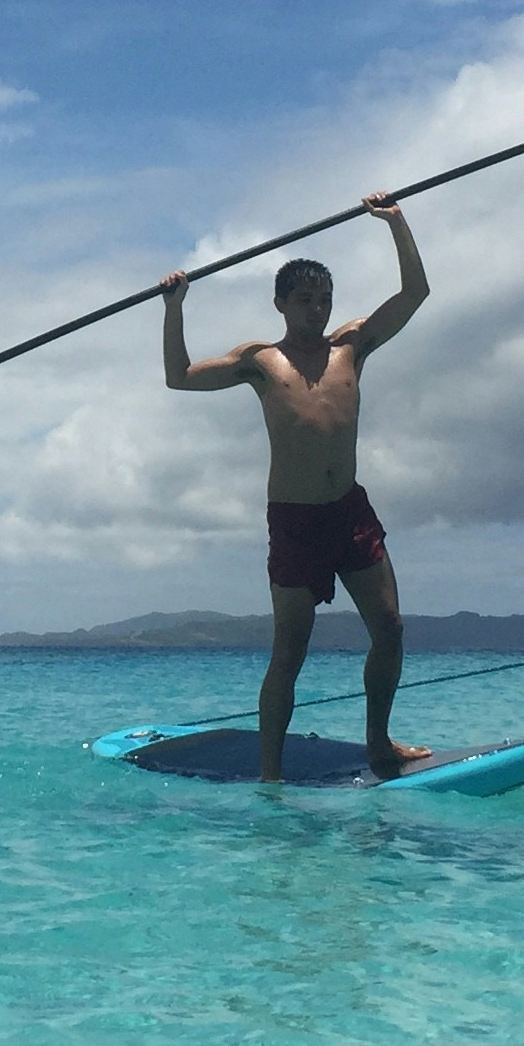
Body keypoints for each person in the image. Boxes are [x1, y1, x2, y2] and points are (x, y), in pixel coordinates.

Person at [162, 194, 432, 781]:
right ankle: (270, 776)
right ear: (281, 304)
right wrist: (175, 305)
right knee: (291, 653)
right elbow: (178, 378)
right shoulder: (259, 361)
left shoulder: (352, 346)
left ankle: (379, 744)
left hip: (350, 512)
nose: (317, 310)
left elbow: (415, 294)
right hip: (295, 520)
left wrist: (396, 223)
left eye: (324, 300)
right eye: (305, 300)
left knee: (390, 629)